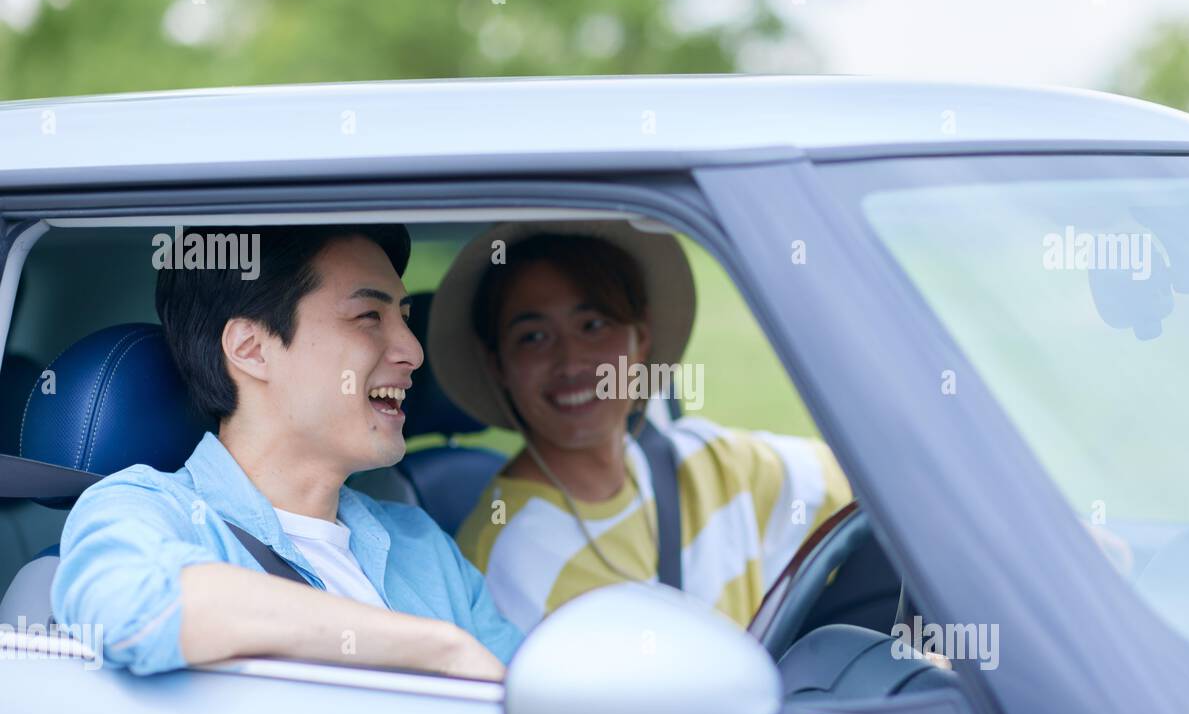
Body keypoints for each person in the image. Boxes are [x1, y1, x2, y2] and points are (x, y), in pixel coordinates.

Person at [53, 224, 522, 679]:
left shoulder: (419, 544)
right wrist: (437, 649)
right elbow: (135, 610)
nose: (413, 351)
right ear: (252, 349)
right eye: (368, 317)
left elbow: (526, 694)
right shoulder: (146, 508)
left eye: (405, 318)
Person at [434, 220, 852, 633]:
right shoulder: (502, 561)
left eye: (593, 326)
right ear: (498, 365)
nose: (571, 363)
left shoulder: (708, 463)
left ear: (642, 338)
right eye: (533, 337)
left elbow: (878, 488)